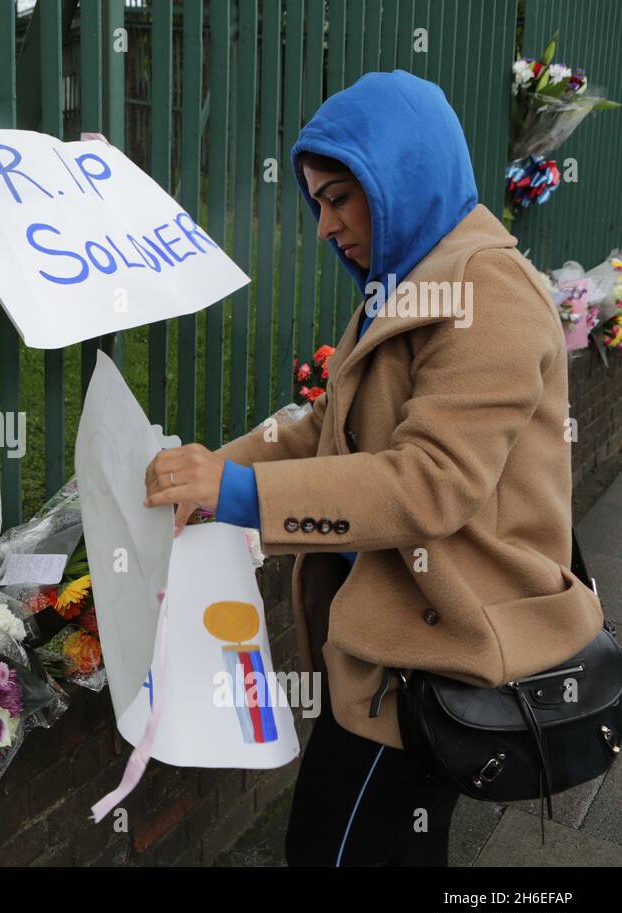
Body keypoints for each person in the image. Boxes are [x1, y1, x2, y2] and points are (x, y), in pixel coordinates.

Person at [142, 71, 603, 866]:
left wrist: (239, 492)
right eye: (317, 202)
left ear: (402, 176)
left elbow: (431, 481)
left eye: (340, 198)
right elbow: (329, 423)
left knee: (331, 851)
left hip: (438, 651)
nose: (325, 225)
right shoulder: (410, 279)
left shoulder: (486, 290)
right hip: (400, 641)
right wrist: (212, 470)